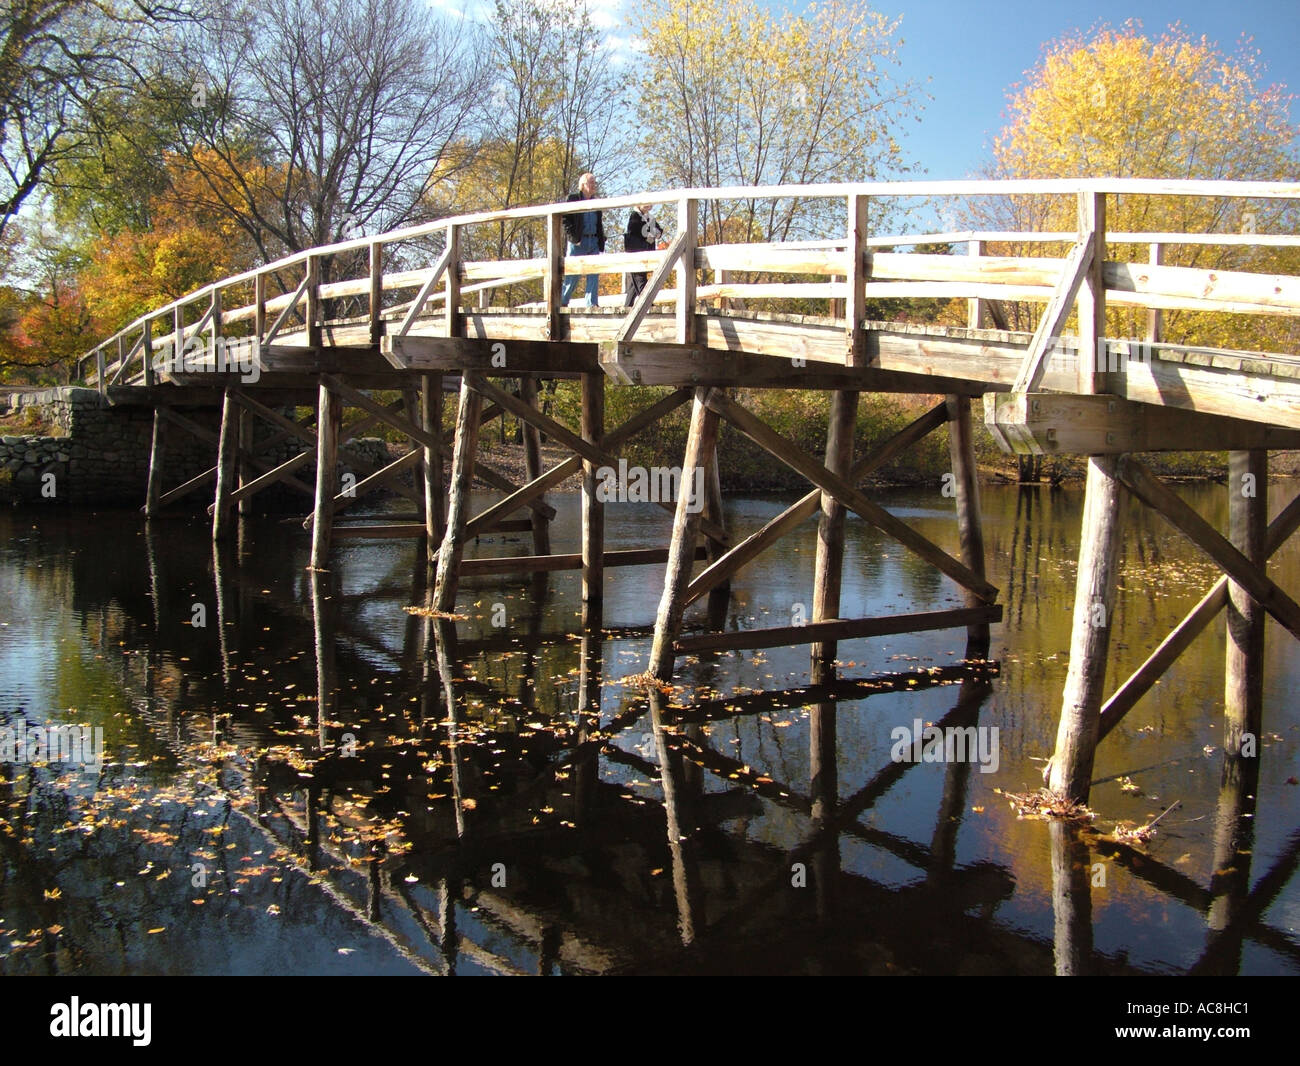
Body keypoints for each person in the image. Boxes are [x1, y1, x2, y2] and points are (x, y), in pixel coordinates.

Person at [561, 173, 605, 308]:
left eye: (594, 183)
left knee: (593, 272)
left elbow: (599, 223)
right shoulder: (573, 199)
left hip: (593, 241)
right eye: (591, 183)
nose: (593, 186)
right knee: (573, 273)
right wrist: (574, 238)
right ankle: (562, 301)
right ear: (583, 185)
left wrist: (600, 241)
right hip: (578, 241)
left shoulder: (595, 202)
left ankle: (591, 304)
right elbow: (565, 220)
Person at [623, 204, 664, 306]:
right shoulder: (635, 216)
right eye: (645, 204)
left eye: (649, 204)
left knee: (633, 285)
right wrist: (650, 233)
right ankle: (649, 305)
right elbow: (636, 234)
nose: (648, 206)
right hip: (636, 254)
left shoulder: (649, 217)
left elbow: (659, 232)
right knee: (640, 280)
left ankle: (627, 307)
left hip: (646, 253)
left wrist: (651, 234)